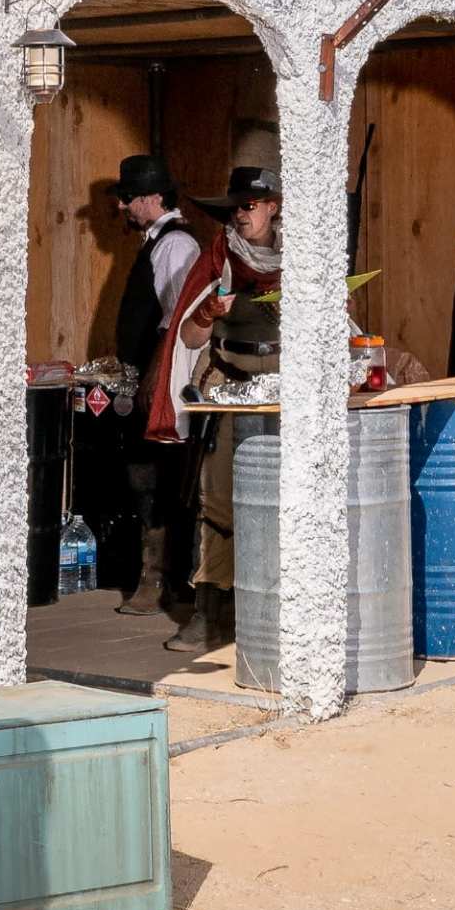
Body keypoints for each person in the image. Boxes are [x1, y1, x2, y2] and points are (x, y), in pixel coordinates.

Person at [151, 166, 284, 653]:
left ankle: (276, 611)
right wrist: (208, 312)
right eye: (234, 210)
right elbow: (188, 334)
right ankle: (210, 613)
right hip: (231, 388)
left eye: (249, 207)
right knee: (219, 500)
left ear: (272, 207)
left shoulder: (304, 251)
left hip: (287, 391)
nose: (241, 217)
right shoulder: (219, 254)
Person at [100, 155, 205, 625]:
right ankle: (155, 578)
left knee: (157, 479)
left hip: (163, 379)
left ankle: (161, 581)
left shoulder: (175, 245)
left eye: (128, 198)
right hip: (148, 375)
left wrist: (153, 378)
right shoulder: (155, 244)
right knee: (144, 478)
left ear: (152, 199)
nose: (123, 207)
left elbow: (176, 318)